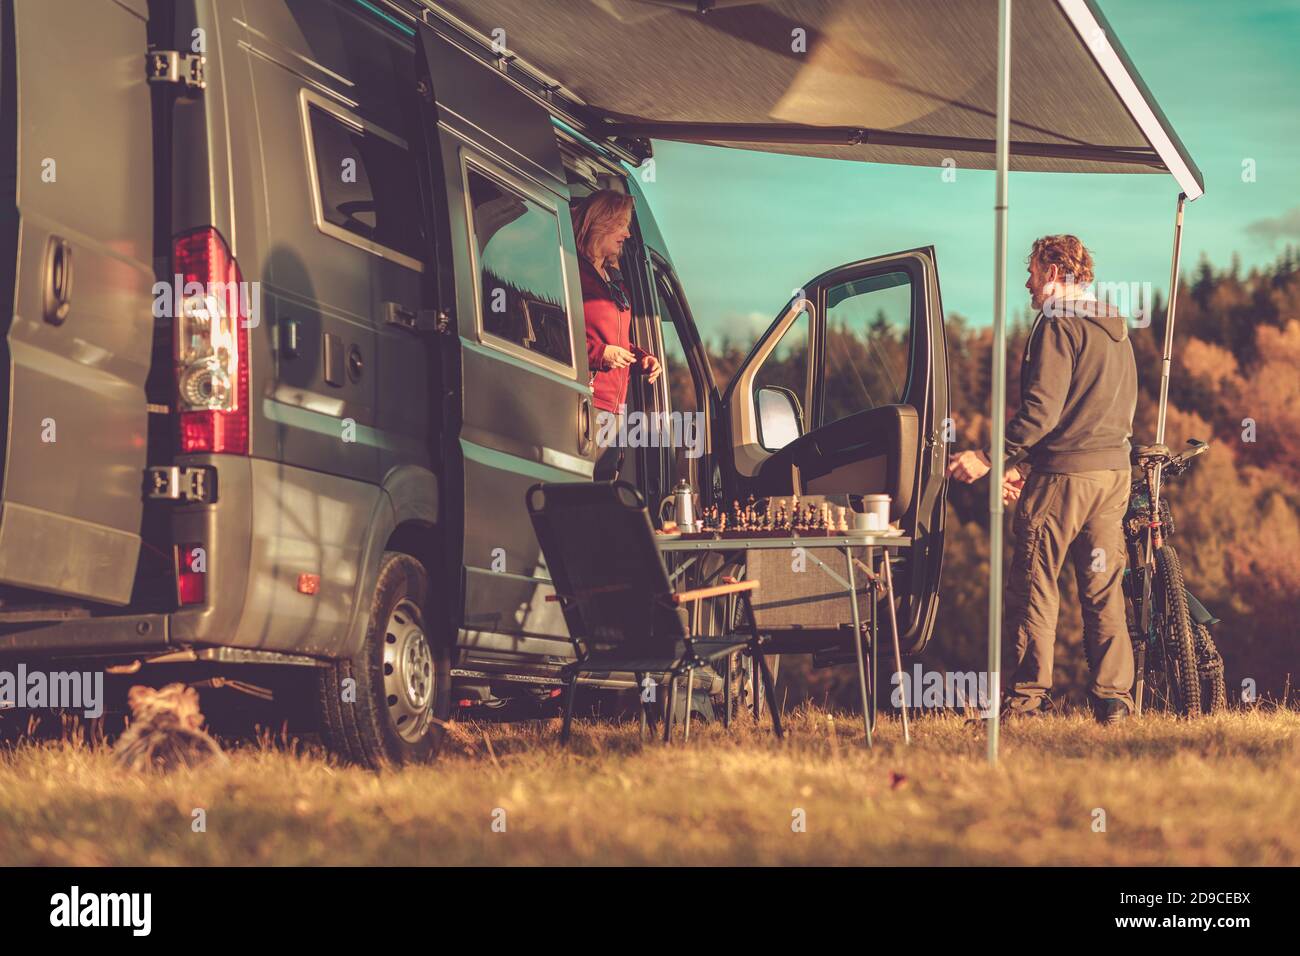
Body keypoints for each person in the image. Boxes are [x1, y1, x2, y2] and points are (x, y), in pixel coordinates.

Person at [948, 235, 1137, 724]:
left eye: (1032, 271)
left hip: (1066, 478)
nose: (1027, 282)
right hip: (1112, 474)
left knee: (1034, 584)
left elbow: (1041, 412)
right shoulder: (1114, 327)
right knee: (1102, 588)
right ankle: (1114, 700)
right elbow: (1088, 412)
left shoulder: (1056, 323)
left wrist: (989, 458)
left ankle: (1025, 701)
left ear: (1053, 272)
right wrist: (1024, 466)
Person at [572, 189, 661, 480]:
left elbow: (613, 339)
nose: (627, 233)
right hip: (585, 403)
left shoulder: (613, 278)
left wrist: (641, 358)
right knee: (585, 492)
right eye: (621, 224)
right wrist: (600, 354)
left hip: (614, 409)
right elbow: (554, 335)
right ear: (600, 223)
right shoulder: (573, 273)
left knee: (603, 489)